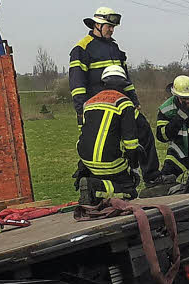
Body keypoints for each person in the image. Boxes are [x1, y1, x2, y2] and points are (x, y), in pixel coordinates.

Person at [69, 7, 162, 186]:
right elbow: (77, 85)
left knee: (144, 131)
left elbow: (125, 78)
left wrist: (134, 101)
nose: (112, 30)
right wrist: (82, 113)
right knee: (101, 143)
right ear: (97, 24)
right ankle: (92, 178)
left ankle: (152, 177)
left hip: (122, 104)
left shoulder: (114, 47)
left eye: (113, 27)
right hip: (98, 108)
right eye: (108, 26)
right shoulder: (82, 49)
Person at [75, 65, 142, 205]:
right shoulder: (125, 104)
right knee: (129, 192)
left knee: (107, 177)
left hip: (86, 159)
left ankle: (95, 186)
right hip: (109, 161)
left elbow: (84, 131)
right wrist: (134, 168)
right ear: (124, 84)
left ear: (103, 82)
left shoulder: (89, 102)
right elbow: (131, 143)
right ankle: (94, 187)